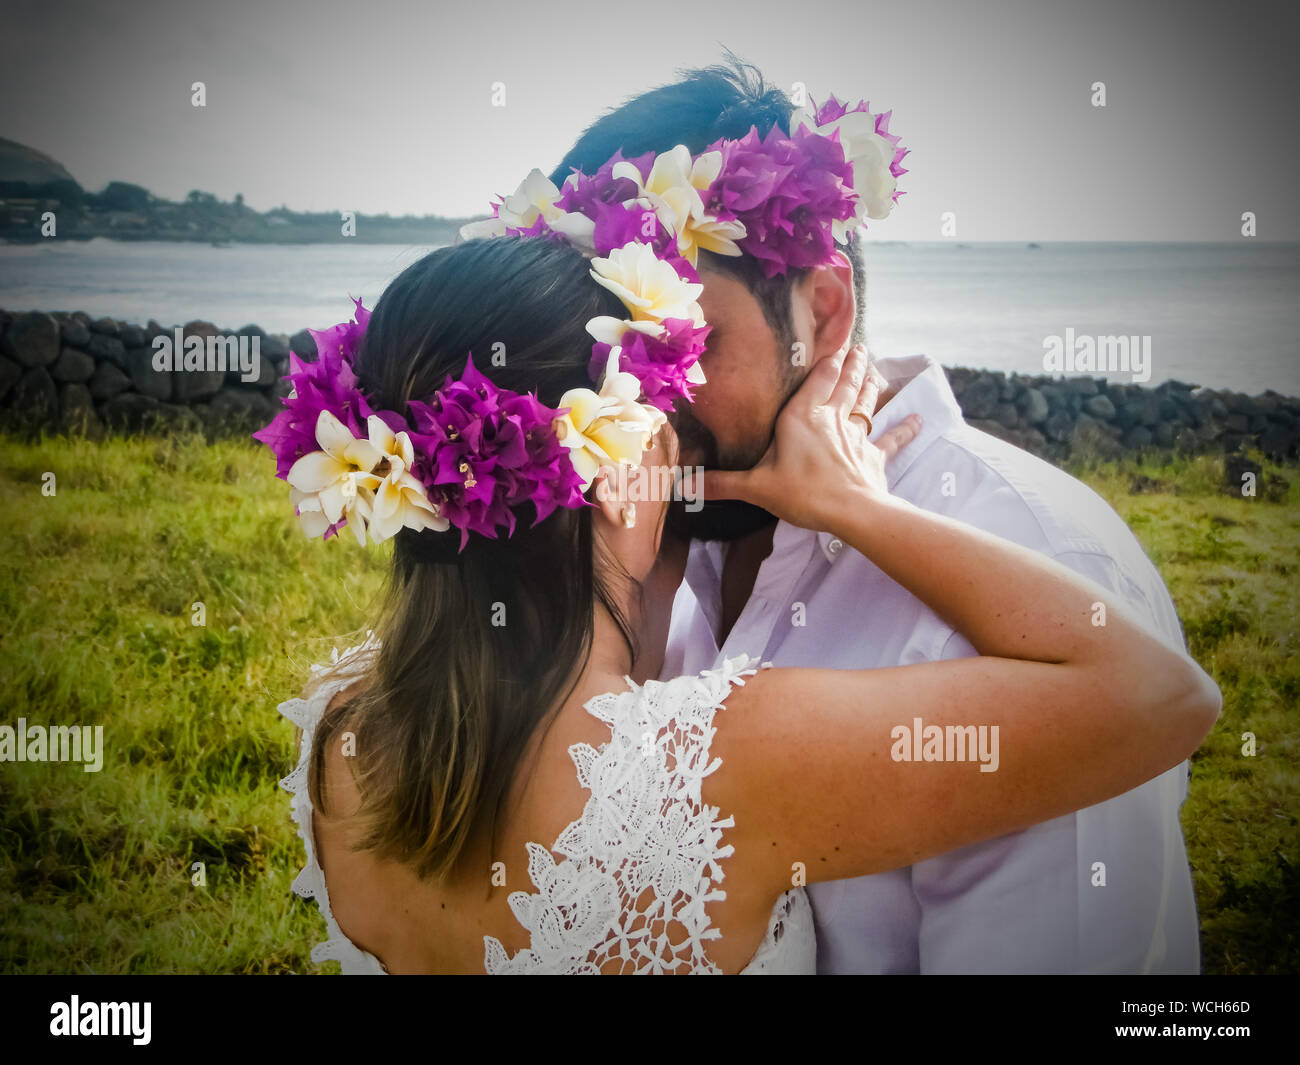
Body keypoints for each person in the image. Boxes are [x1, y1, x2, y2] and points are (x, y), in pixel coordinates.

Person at [264, 234, 1219, 974]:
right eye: (669, 423)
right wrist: (853, 504)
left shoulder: (339, 735)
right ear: (619, 472)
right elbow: (1160, 696)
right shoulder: (720, 761)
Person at [550, 56, 1209, 973]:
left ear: (821, 312)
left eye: (673, 341)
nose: (633, 401)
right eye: (606, 349)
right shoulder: (654, 531)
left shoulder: (1037, 568)